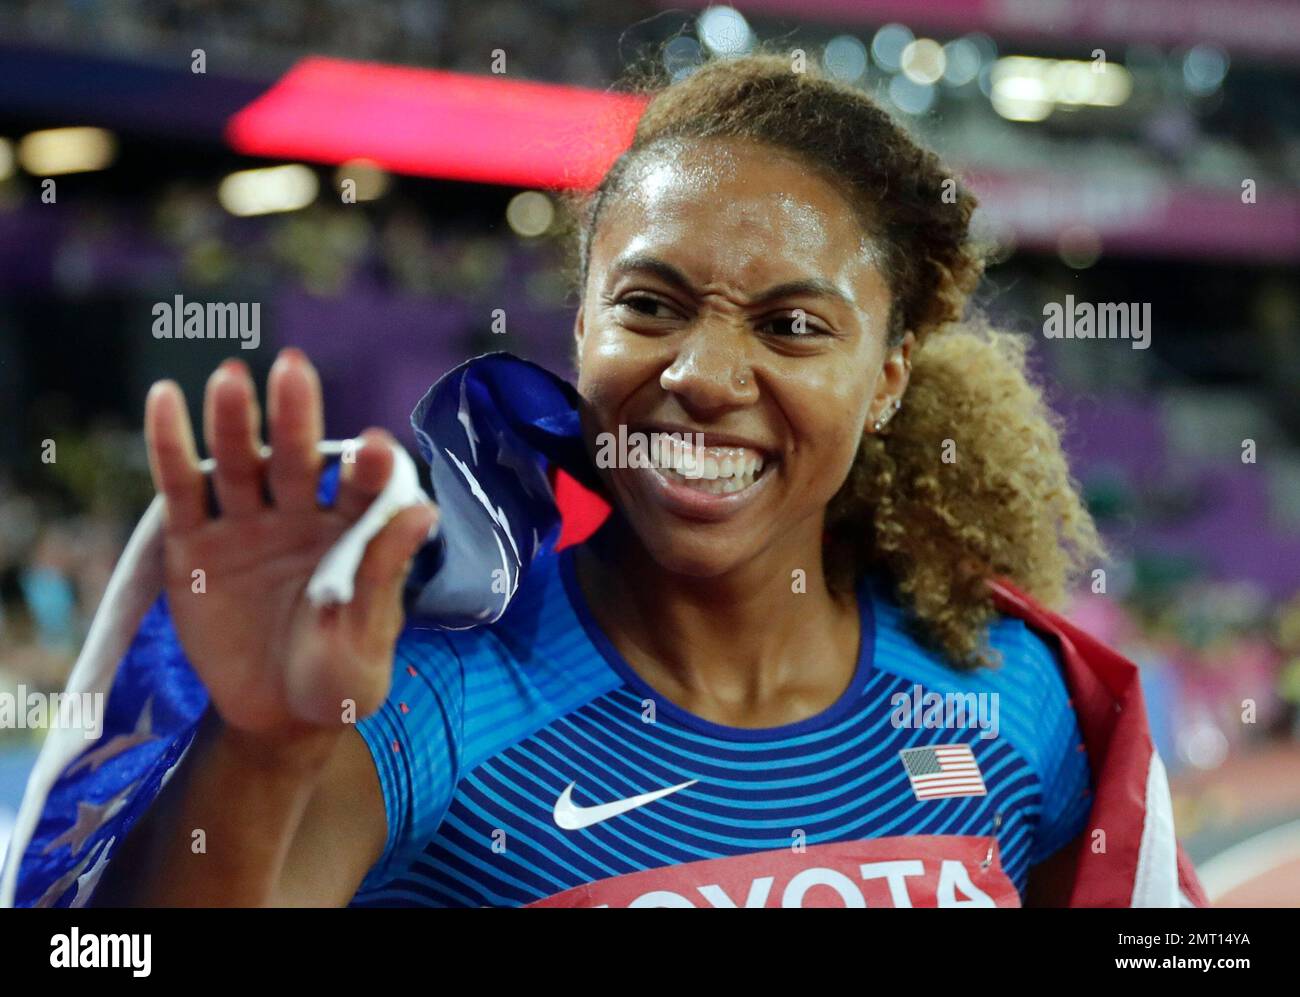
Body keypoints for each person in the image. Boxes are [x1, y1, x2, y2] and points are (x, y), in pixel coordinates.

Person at [96, 53, 1119, 908]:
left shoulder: (1004, 694)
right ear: (583, 326)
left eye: (792, 327)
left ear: (887, 377)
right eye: (650, 305)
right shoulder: (432, 695)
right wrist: (265, 752)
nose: (702, 378)